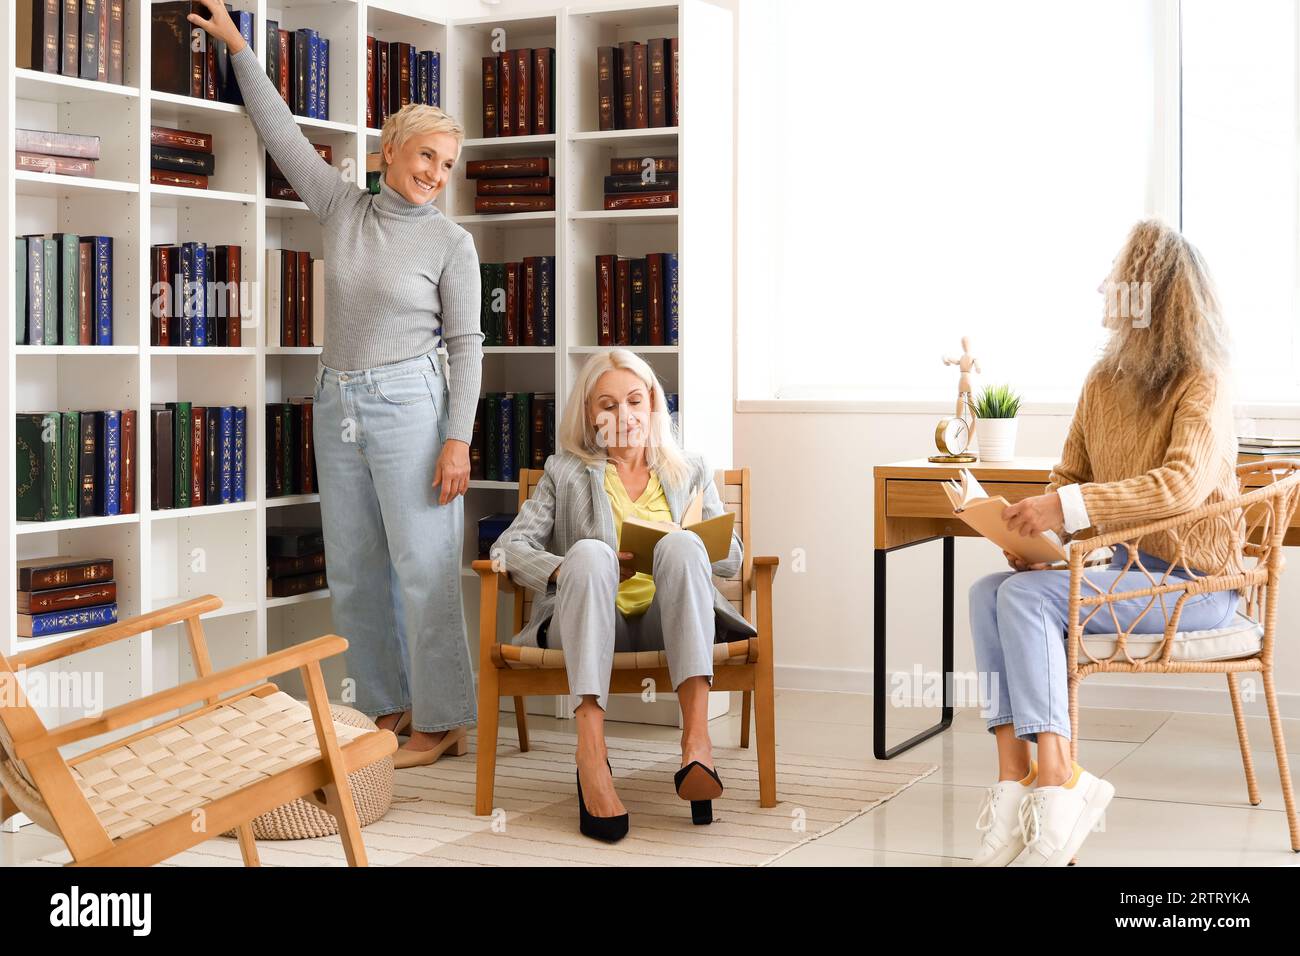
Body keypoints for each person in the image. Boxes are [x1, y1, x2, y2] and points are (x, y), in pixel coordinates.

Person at [190, 0, 484, 768]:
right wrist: (238, 47)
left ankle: (444, 718)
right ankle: (386, 709)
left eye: (447, 166)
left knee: (423, 568)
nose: (435, 175)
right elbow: (281, 134)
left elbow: (467, 345)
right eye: (426, 157)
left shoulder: (453, 243)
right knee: (353, 568)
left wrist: (458, 439)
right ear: (391, 149)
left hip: (413, 405)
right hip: (338, 400)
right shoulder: (342, 206)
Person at [968, 218, 1243, 866]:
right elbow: (1070, 475)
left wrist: (1063, 507)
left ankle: (1060, 781)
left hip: (1194, 586)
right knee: (988, 593)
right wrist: (1038, 532)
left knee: (1031, 603)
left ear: (1151, 296)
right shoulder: (1103, 382)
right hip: (1125, 572)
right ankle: (1017, 783)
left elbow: (1179, 485)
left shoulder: (1203, 381)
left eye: (1117, 282)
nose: (1103, 292)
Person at [490, 349, 757, 842]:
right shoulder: (565, 471)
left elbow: (731, 561)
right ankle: (591, 752)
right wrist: (562, 566)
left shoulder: (689, 469)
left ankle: (697, 745)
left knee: (680, 544)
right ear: (590, 413)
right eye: (607, 405)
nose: (624, 416)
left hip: (667, 620)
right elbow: (508, 549)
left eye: (635, 401)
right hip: (592, 622)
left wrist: (687, 539)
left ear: (653, 403)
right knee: (590, 553)